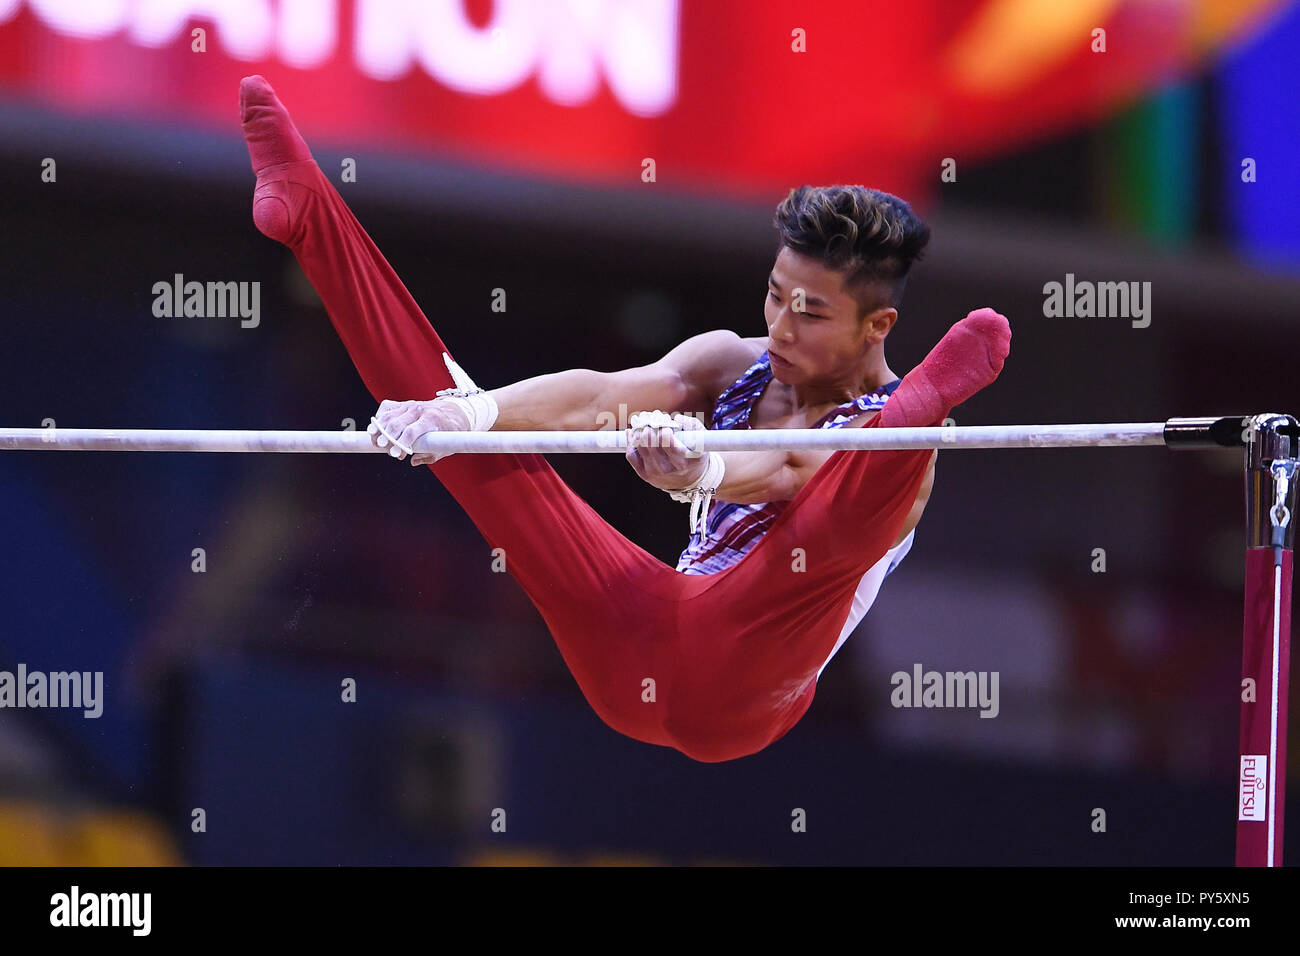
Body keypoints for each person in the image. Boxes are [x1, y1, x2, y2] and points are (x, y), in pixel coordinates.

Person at [239, 75, 1011, 762]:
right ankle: (310, 212)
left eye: (810, 313)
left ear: (877, 328)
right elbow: (601, 397)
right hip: (634, 644)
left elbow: (788, 467)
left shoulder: (883, 434)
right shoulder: (730, 361)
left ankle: (931, 404)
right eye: (776, 295)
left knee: (845, 511)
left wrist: (704, 467)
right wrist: (470, 409)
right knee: (459, 443)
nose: (779, 326)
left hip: (746, 684)